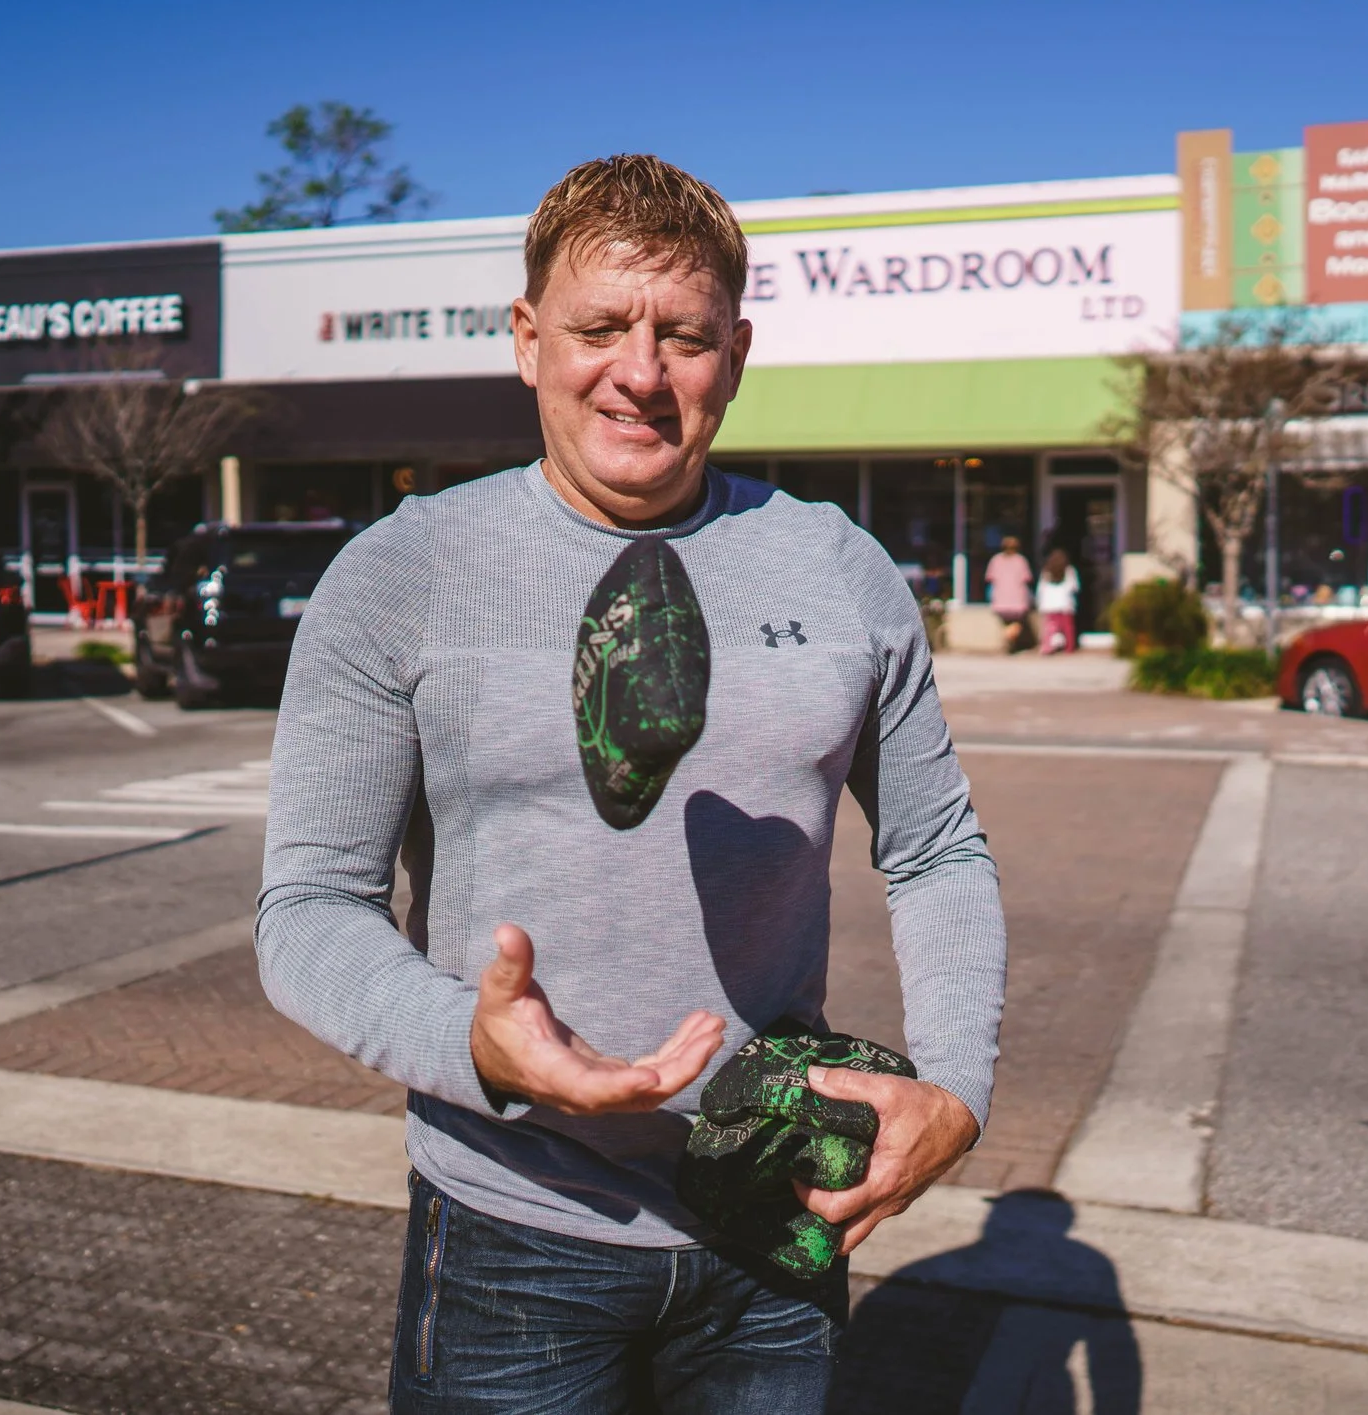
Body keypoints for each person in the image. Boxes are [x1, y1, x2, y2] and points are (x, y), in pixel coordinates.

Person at [258, 155, 1007, 1413]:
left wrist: (958, 1092)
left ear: (739, 350)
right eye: (600, 326)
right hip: (512, 1231)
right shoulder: (402, 575)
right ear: (527, 338)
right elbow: (307, 908)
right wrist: (476, 1045)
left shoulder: (840, 569)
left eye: (685, 335)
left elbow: (936, 852)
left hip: (773, 1218)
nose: (641, 373)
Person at [983, 536, 1033, 654]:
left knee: (1005, 623)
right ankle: (1010, 638)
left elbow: (989, 577)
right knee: (1017, 623)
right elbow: (1027, 578)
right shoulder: (1021, 560)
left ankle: (1008, 639)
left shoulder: (996, 560)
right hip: (1017, 599)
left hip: (1001, 598)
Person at [1035, 549, 1080, 654]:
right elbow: (1074, 587)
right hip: (1065, 604)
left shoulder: (1046, 572)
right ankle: (1069, 647)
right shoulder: (1069, 571)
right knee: (1068, 628)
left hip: (1049, 605)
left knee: (1049, 629)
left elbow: (1040, 589)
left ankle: (1047, 647)